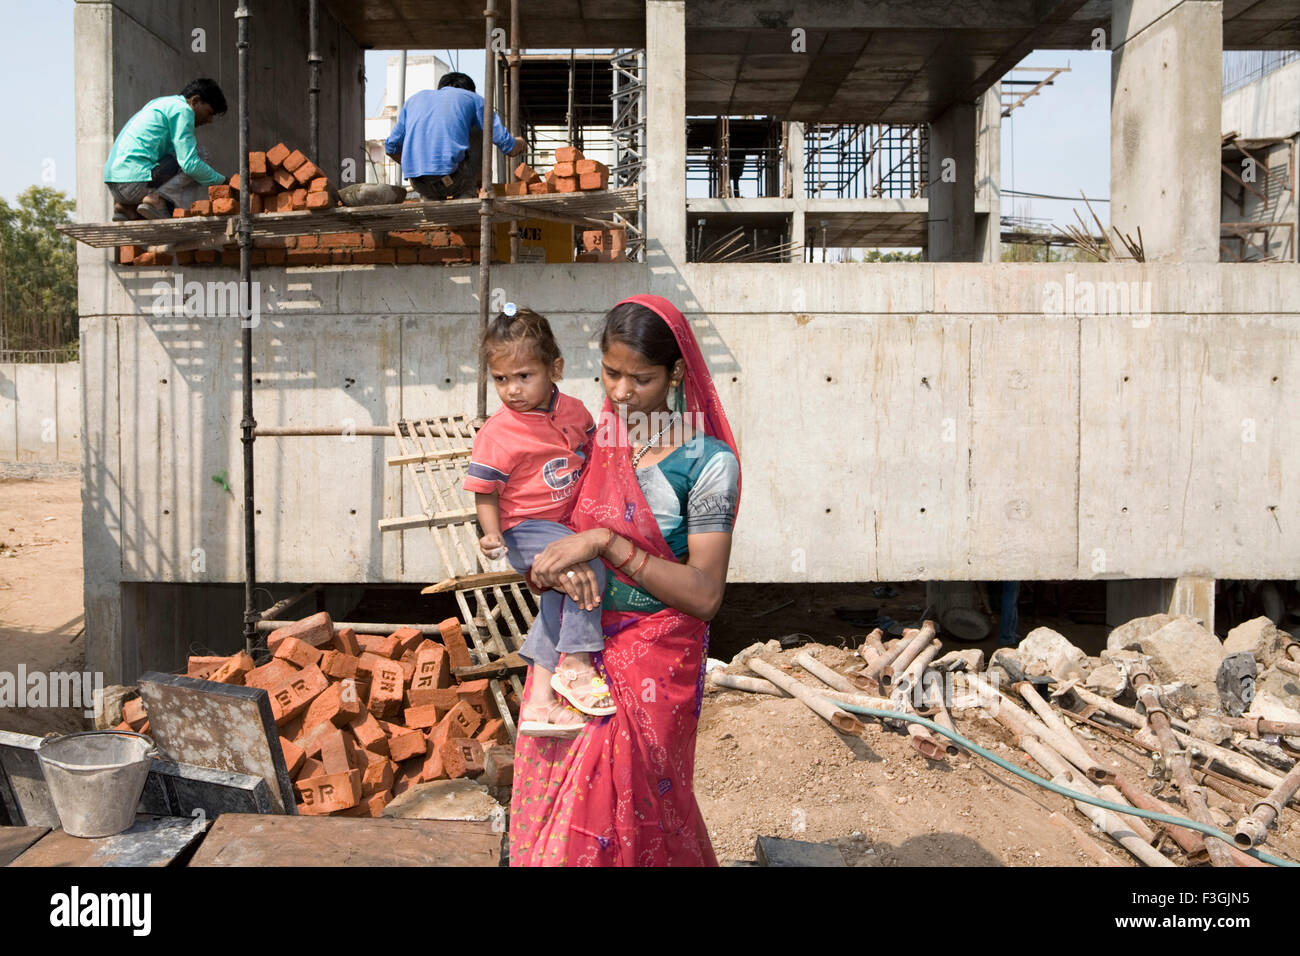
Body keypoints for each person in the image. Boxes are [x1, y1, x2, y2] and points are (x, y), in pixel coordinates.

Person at [508, 294, 741, 866]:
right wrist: (549, 565)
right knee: (565, 815)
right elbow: (552, 527)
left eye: (642, 378)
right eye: (610, 373)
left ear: (677, 373)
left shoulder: (706, 462)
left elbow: (706, 596)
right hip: (575, 656)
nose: (620, 393)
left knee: (640, 809)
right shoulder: (595, 444)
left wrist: (608, 544)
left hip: (654, 660)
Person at [463, 306, 609, 737]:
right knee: (589, 568)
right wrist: (491, 534)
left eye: (524, 376)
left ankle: (540, 701)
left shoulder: (575, 412)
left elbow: (596, 452)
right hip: (522, 529)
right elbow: (485, 490)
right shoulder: (498, 433)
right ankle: (579, 664)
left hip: (565, 525)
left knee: (557, 598)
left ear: (555, 369)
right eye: (501, 380)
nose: (512, 390)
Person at [385, 72, 526, 201]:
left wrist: (422, 166)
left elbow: (391, 147)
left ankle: (430, 202)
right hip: (455, 180)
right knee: (478, 128)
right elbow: (509, 147)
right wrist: (520, 143)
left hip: (418, 183)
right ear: (470, 90)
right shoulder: (473, 99)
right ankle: (467, 195)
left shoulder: (413, 100)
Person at [103, 78, 228, 220]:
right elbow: (190, 165)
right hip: (134, 184)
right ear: (195, 101)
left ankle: (126, 207)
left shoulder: (161, 103)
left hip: (116, 186)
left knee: (175, 156)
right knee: (200, 156)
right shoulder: (183, 110)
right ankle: (157, 200)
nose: (209, 120)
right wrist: (224, 182)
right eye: (209, 112)